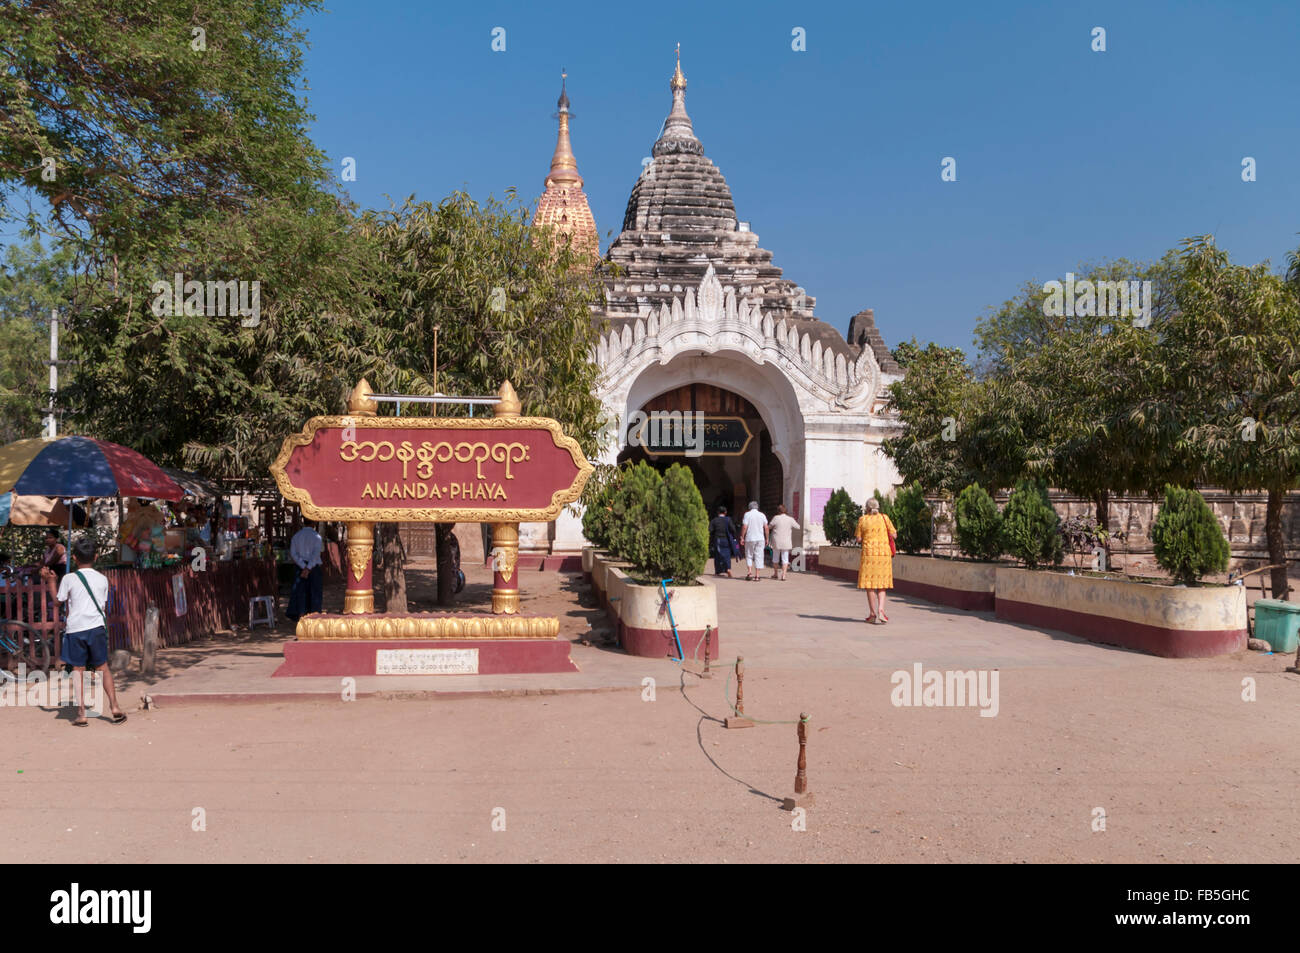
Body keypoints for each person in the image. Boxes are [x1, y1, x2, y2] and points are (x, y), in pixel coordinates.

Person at [56, 538, 126, 726]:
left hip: (76, 629)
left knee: (78, 670)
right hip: (96, 628)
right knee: (103, 668)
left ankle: (82, 714)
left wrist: (49, 581)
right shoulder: (102, 579)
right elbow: (102, 605)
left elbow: (58, 601)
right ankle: (115, 707)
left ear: (74, 557)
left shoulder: (68, 578)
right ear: (95, 557)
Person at [855, 498, 897, 624]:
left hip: (869, 555)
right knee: (882, 584)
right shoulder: (885, 517)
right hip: (884, 555)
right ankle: (881, 610)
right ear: (877, 507)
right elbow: (894, 535)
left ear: (867, 508)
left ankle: (872, 614)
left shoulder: (863, 519)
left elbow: (858, 539)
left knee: (870, 585)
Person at [287, 522, 324, 621]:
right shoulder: (317, 537)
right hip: (313, 568)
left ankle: (301, 617)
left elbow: (293, 554)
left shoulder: (296, 536)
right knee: (314, 593)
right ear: (314, 523)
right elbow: (316, 554)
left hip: (300, 568)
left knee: (301, 593)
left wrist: (303, 567)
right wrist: (308, 568)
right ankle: (315, 618)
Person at [40, 530, 67, 617]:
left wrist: (44, 566)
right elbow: (42, 562)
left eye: (50, 537)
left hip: (60, 570)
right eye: (46, 538)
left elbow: (53, 560)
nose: (48, 540)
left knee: (60, 591)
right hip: (51, 570)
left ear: (56, 539)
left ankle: (62, 610)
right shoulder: (46, 551)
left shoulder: (59, 547)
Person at [768, 504, 799, 580]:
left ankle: (775, 574)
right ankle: (783, 575)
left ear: (778, 511)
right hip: (786, 542)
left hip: (776, 541)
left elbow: (769, 527)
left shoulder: (776, 518)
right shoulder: (790, 519)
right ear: (786, 511)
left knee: (775, 558)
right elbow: (798, 527)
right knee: (785, 559)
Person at [741, 501, 768, 582]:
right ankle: (757, 575)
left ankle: (749, 572)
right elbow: (766, 527)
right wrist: (767, 538)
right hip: (760, 538)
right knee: (759, 556)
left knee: (749, 555)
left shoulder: (747, 514)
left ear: (749, 507)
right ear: (757, 507)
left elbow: (745, 526)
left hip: (750, 538)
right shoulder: (762, 515)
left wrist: (742, 537)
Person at [708, 506, 736, 577]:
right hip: (726, 540)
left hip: (717, 539)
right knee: (727, 554)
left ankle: (718, 571)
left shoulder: (714, 520)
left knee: (718, 555)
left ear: (718, 512)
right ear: (725, 512)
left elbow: (710, 530)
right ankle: (728, 568)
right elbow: (733, 529)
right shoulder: (728, 520)